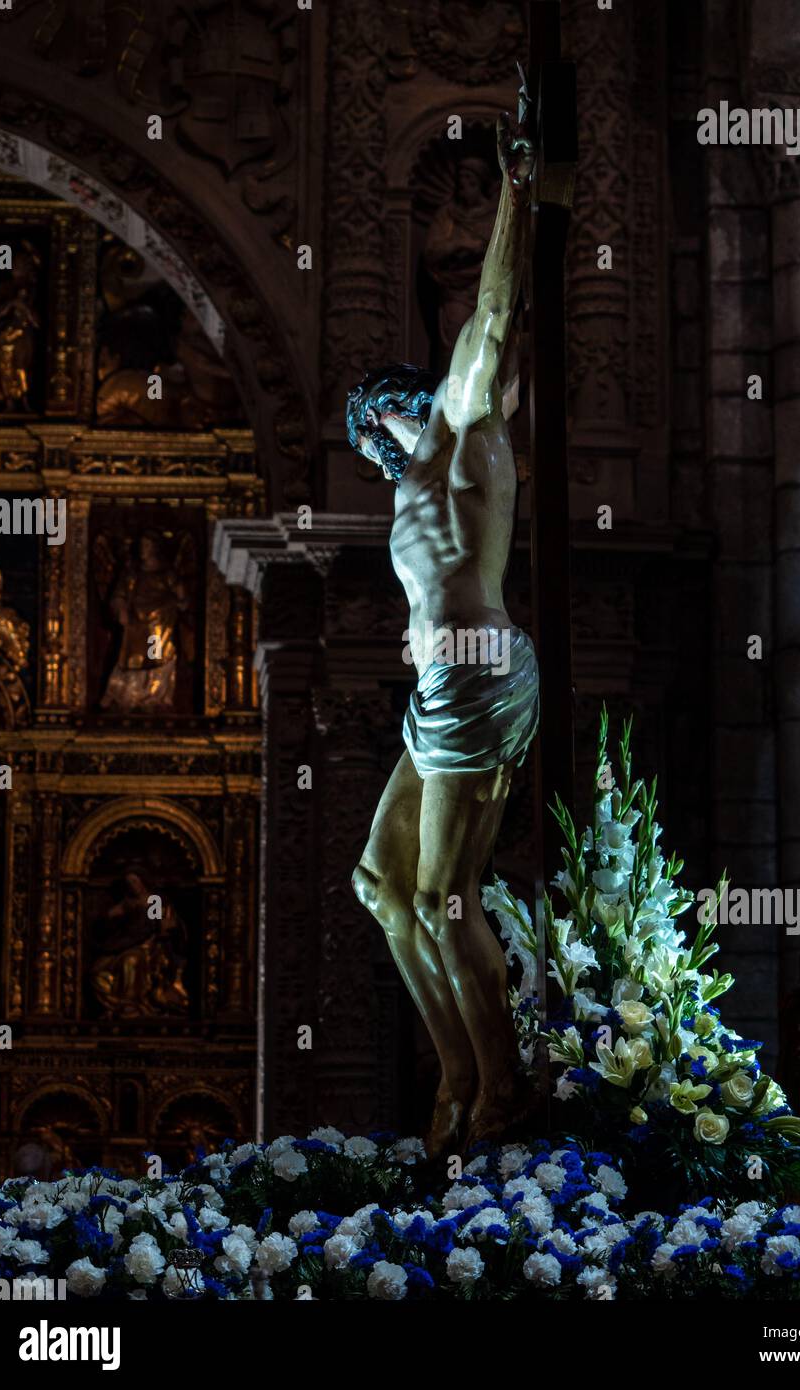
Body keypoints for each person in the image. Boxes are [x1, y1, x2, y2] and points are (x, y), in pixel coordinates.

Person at [346, 105, 538, 1155]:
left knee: (444, 898)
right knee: (382, 884)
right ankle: (463, 1072)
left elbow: (496, 321)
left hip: (477, 672)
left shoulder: (465, 431)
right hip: (439, 691)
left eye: (382, 406)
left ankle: (496, 1089)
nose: (383, 420)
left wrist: (516, 187)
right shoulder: (411, 479)